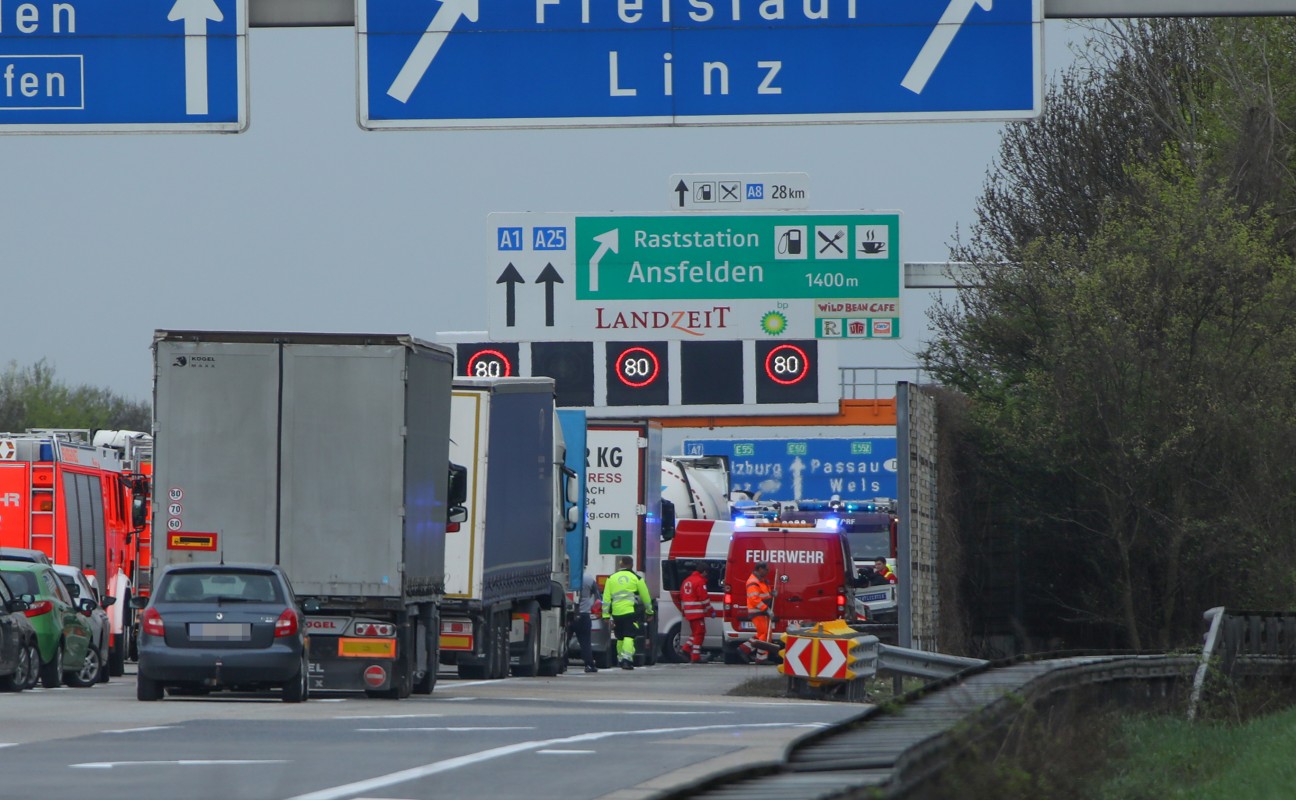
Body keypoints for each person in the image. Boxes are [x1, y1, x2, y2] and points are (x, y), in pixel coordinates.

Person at [602, 555, 653, 670]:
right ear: (632, 565)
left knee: (619, 637)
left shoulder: (611, 578)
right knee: (629, 635)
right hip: (630, 612)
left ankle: (620, 658)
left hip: (616, 613)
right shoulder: (637, 578)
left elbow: (606, 599)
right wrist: (650, 612)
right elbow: (646, 598)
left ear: (620, 564)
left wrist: (605, 615)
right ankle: (626, 659)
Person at [736, 561, 773, 664]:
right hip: (758, 611)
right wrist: (766, 609)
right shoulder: (754, 581)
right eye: (766, 569)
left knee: (763, 634)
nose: (767, 571)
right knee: (764, 634)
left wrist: (772, 594)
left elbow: (764, 595)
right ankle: (761, 659)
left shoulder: (761, 581)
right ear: (760, 569)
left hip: (760, 611)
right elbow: (754, 599)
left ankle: (744, 648)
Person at [678, 561, 712, 664]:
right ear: (705, 572)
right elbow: (704, 598)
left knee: (695, 632)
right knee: (700, 633)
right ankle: (695, 656)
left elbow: (682, 595)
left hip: (688, 611)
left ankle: (686, 649)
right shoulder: (700, 581)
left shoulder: (687, 581)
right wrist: (710, 610)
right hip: (697, 611)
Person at [572, 570, 600, 673]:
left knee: (564, 642)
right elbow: (595, 593)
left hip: (570, 614)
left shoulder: (568, 577)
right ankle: (589, 664)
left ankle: (563, 663)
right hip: (584, 614)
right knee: (585, 642)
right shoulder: (589, 579)